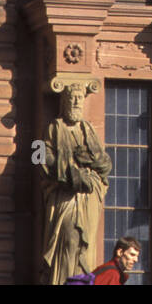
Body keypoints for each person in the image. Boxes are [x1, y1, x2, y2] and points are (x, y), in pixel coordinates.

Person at [40, 83, 111, 285]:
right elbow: (40, 158)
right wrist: (75, 176)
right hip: (66, 197)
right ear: (64, 101)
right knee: (70, 238)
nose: (77, 101)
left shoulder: (88, 129)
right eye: (72, 97)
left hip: (88, 199)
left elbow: (105, 162)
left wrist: (91, 162)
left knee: (85, 246)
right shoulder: (53, 127)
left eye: (80, 97)